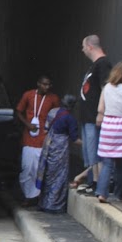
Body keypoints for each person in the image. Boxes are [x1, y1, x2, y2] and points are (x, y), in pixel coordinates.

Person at [72, 34, 110, 193]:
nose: (82, 50)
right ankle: (93, 181)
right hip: (87, 117)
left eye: (83, 46)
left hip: (94, 116)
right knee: (90, 152)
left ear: (90, 46)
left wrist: (101, 112)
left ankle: (99, 185)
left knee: (95, 151)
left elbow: (105, 89)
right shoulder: (94, 66)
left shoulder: (103, 65)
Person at [15, 74, 60, 203]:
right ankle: (27, 194)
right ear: (38, 84)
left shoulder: (53, 98)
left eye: (49, 85)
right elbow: (18, 111)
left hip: (43, 139)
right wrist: (27, 124)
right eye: (44, 84)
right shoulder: (28, 95)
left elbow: (57, 115)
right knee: (27, 168)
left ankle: (34, 197)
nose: (46, 87)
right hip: (28, 139)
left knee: (38, 170)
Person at [94, 61, 122, 203]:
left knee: (107, 163)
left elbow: (100, 108)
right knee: (121, 165)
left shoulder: (106, 88)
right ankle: (120, 194)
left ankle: (102, 193)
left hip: (108, 125)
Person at [36, 95, 80, 212]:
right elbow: (74, 139)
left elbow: (45, 129)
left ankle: (43, 202)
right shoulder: (70, 119)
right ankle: (53, 205)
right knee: (59, 175)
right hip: (60, 148)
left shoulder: (53, 113)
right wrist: (88, 146)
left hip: (49, 145)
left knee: (48, 174)